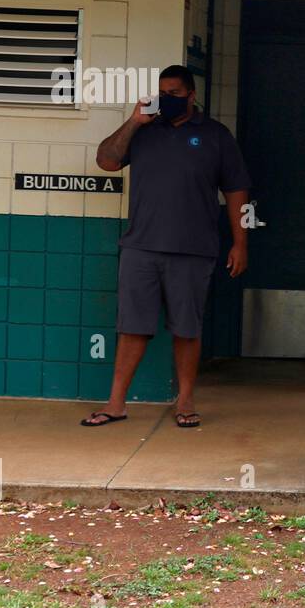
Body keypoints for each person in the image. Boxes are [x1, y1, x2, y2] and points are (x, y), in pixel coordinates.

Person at [80, 65, 251, 428]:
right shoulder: (143, 131)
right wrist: (133, 122)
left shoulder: (215, 135)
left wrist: (240, 242)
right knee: (132, 327)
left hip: (194, 249)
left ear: (191, 95)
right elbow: (107, 161)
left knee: (187, 329)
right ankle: (115, 403)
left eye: (174, 93)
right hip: (141, 247)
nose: (167, 100)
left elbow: (236, 191)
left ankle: (185, 402)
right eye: (162, 93)